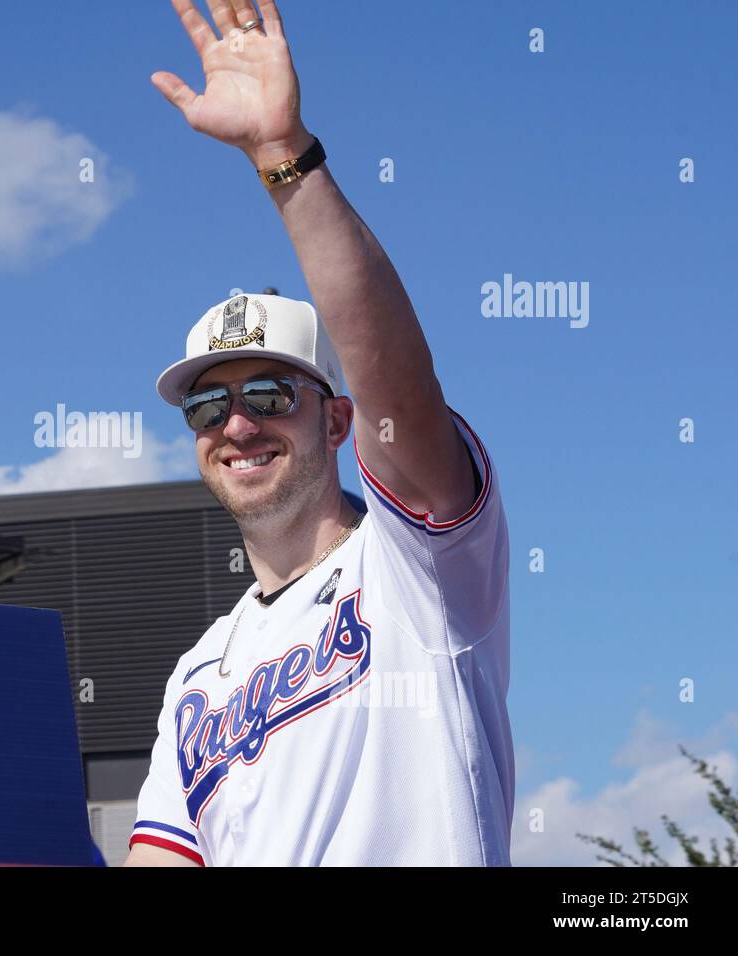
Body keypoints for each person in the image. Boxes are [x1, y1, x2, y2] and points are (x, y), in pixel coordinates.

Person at [125, 0, 514, 866]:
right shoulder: (198, 671)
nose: (235, 423)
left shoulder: (416, 566)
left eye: (268, 394)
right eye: (205, 407)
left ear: (336, 419)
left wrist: (281, 157)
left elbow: (400, 392)